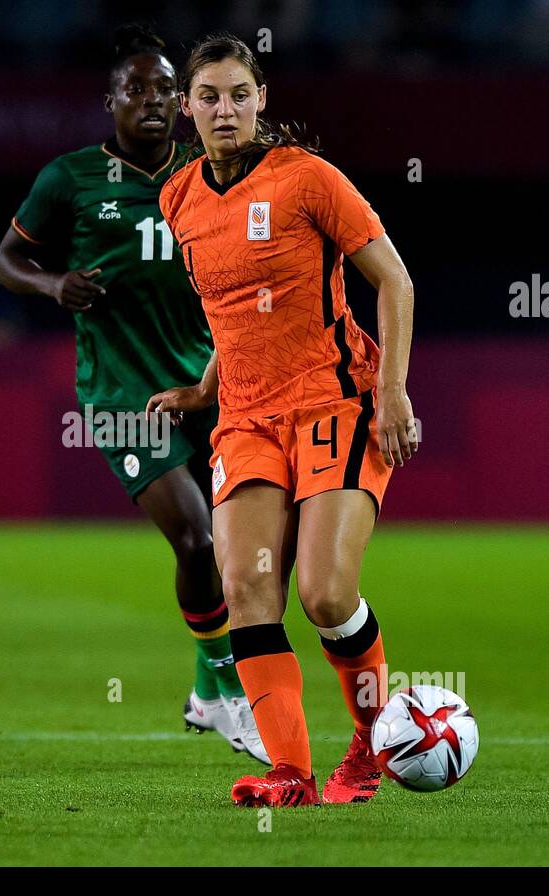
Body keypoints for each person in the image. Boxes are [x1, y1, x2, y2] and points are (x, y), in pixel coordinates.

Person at [148, 34, 418, 806]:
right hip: (245, 420)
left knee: (325, 596)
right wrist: (205, 388)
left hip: (334, 401)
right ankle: (290, 773)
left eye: (239, 94)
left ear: (261, 99)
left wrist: (394, 392)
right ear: (186, 107)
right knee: (246, 590)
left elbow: (395, 282)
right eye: (209, 97)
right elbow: (231, 311)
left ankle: (368, 746)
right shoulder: (178, 198)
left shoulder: (307, 179)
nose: (224, 109)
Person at [0, 25, 266, 763]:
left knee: (246, 548)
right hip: (121, 395)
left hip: (209, 385)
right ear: (109, 101)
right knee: (195, 537)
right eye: (135, 88)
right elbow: (6, 261)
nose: (152, 100)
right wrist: (54, 283)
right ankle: (228, 691)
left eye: (164, 89)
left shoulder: (210, 172)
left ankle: (205, 692)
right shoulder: (71, 178)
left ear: (183, 103)